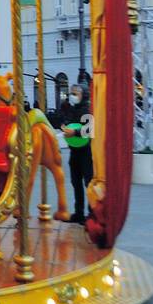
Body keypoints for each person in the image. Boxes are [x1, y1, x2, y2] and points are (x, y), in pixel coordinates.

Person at [61, 84, 92, 224]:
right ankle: (78, 213)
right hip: (74, 151)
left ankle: (92, 214)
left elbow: (89, 130)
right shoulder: (73, 109)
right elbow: (69, 122)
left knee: (88, 183)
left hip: (86, 152)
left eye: (76, 94)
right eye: (72, 93)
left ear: (83, 95)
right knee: (76, 182)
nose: (73, 96)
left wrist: (74, 132)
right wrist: (65, 127)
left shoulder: (87, 110)